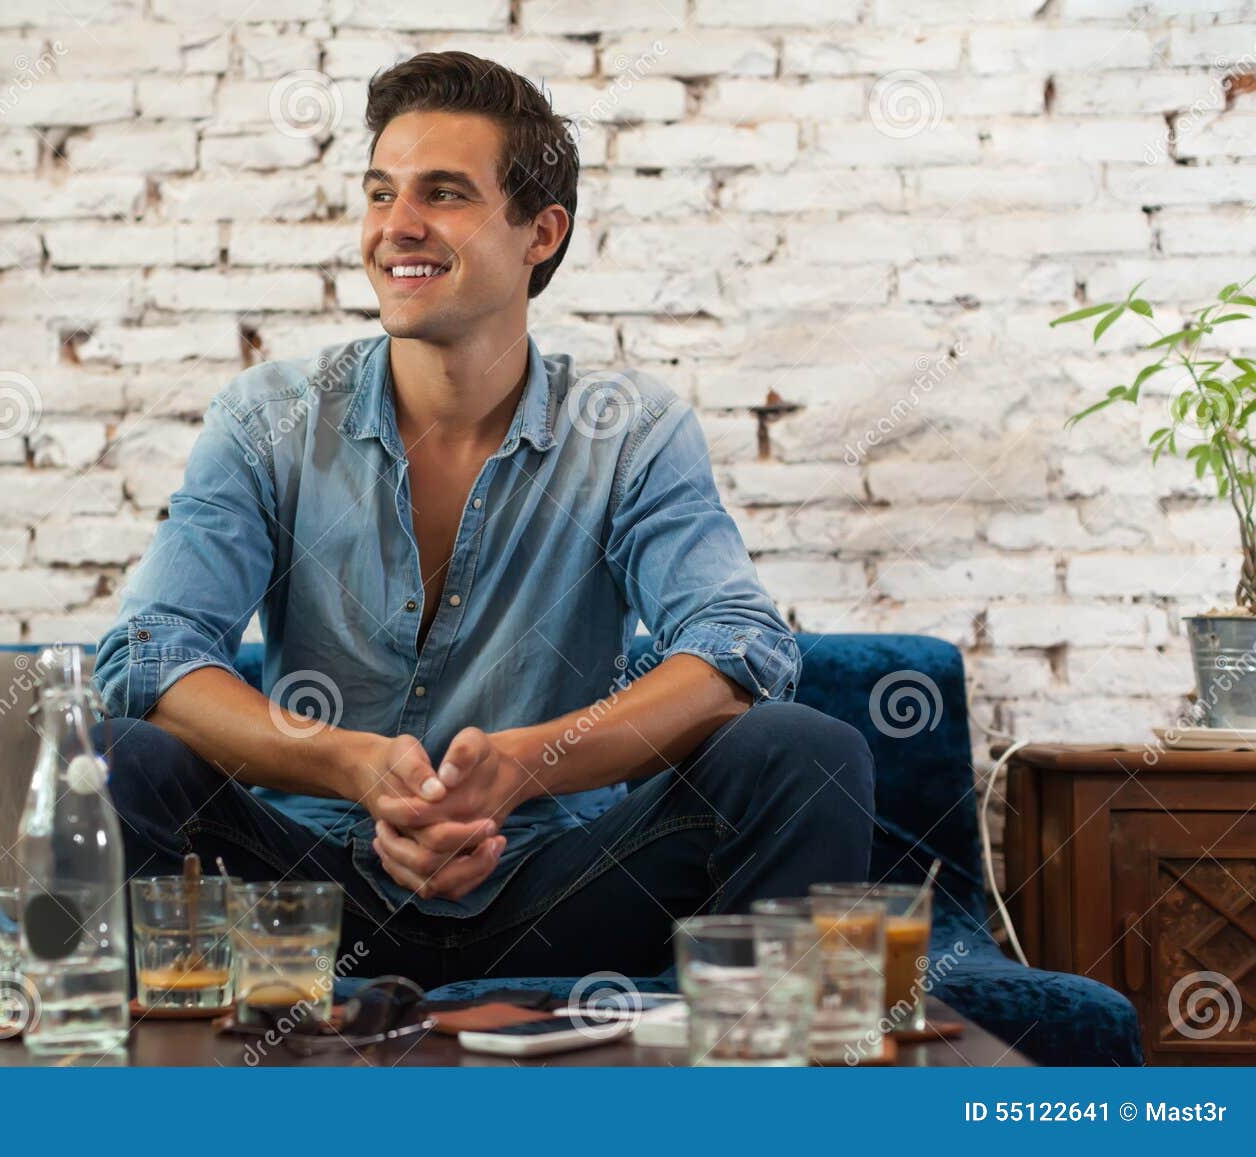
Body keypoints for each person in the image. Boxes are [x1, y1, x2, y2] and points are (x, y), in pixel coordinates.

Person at [92, 51, 874, 987]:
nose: (397, 227)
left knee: (806, 753)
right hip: (303, 899)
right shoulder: (269, 420)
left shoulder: (629, 432)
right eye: (381, 193)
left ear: (541, 232)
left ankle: (761, 1112)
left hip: (557, 890)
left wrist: (525, 765)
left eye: (445, 194)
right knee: (108, 759)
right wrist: (351, 767)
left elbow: (742, 648)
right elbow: (151, 654)